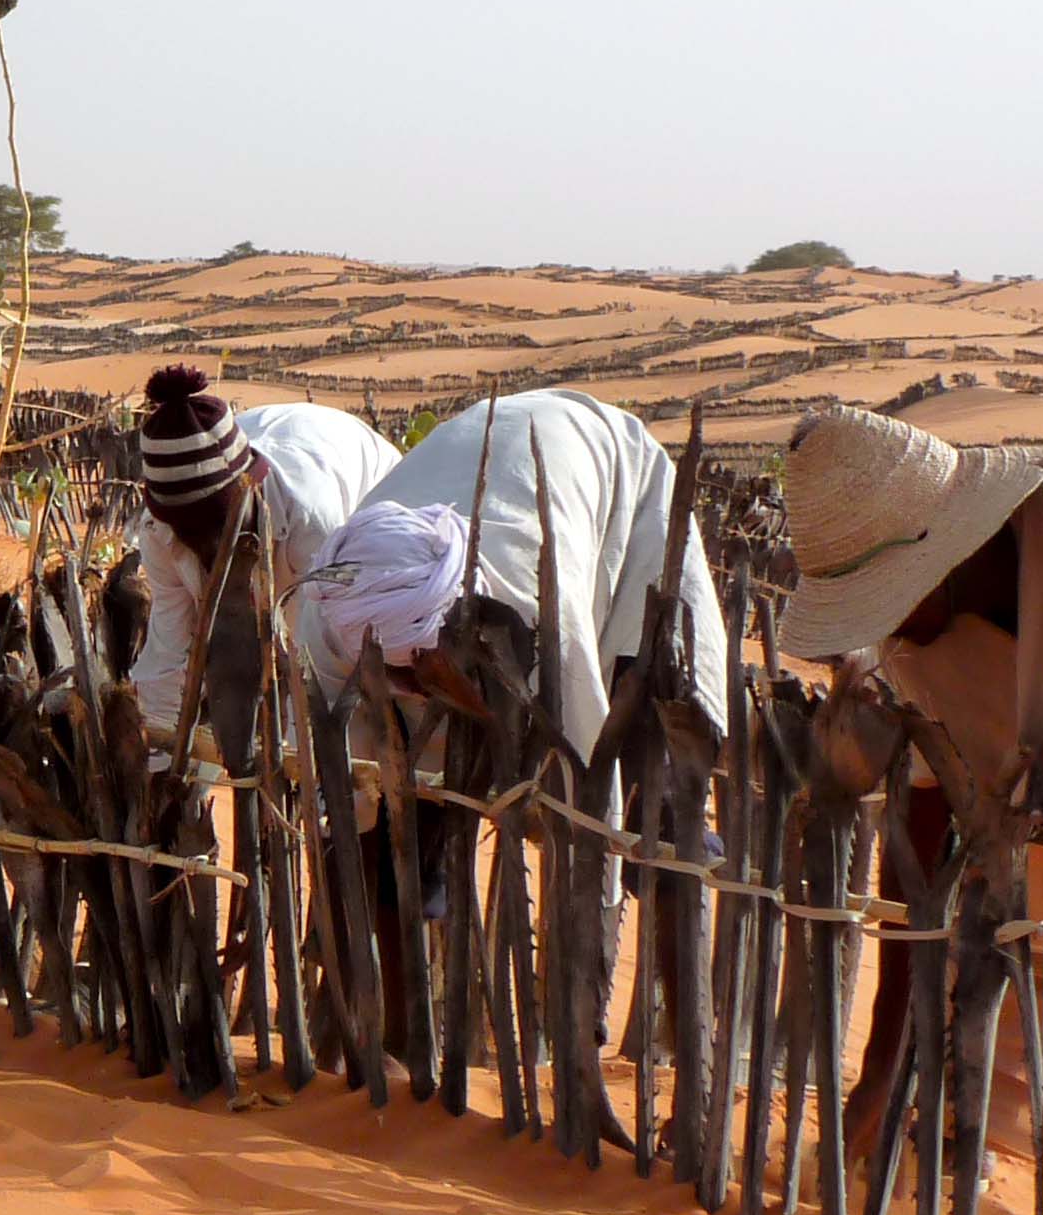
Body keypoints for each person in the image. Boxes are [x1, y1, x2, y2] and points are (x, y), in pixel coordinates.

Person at [300, 388, 730, 1057]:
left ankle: (678, 1049)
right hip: (495, 477)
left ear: (459, 630)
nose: (416, 692)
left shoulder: (537, 612)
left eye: (421, 674)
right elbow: (355, 787)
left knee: (666, 790)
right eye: (398, 681)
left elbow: (592, 790)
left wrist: (591, 926)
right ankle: (403, 1037)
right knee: (399, 822)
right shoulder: (332, 610)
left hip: (619, 491)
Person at [777, 404, 1043, 1161]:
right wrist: (880, 1068)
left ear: (952, 554)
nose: (887, 629)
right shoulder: (917, 649)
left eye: (894, 595)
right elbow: (917, 868)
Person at [127, 365, 400, 734]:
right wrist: (159, 747)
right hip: (274, 435)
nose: (206, 542)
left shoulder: (316, 520)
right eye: (190, 528)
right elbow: (169, 645)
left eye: (214, 523)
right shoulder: (160, 531)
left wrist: (298, 758)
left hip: (361, 473)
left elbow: (324, 657)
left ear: (249, 489)